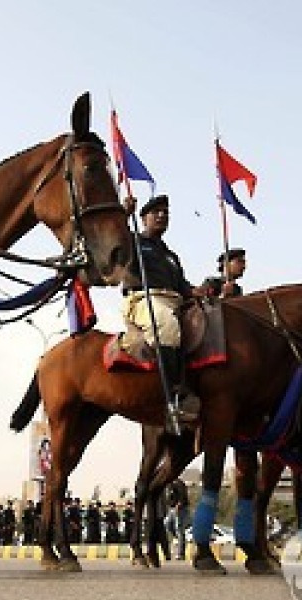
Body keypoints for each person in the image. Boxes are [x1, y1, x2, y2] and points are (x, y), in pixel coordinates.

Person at [121, 194, 201, 430]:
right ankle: (172, 398)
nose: (162, 215)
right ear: (143, 218)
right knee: (166, 326)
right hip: (144, 299)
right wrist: (124, 216)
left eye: (165, 212)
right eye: (155, 212)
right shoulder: (132, 241)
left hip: (175, 301)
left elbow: (184, 287)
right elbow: (110, 241)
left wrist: (200, 291)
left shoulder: (171, 256)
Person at [165, 478, 191, 560]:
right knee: (168, 525)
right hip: (171, 509)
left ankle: (181, 553)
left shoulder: (179, 483)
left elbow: (182, 496)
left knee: (179, 529)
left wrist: (178, 505)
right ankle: (180, 539)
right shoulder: (169, 484)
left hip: (180, 509)